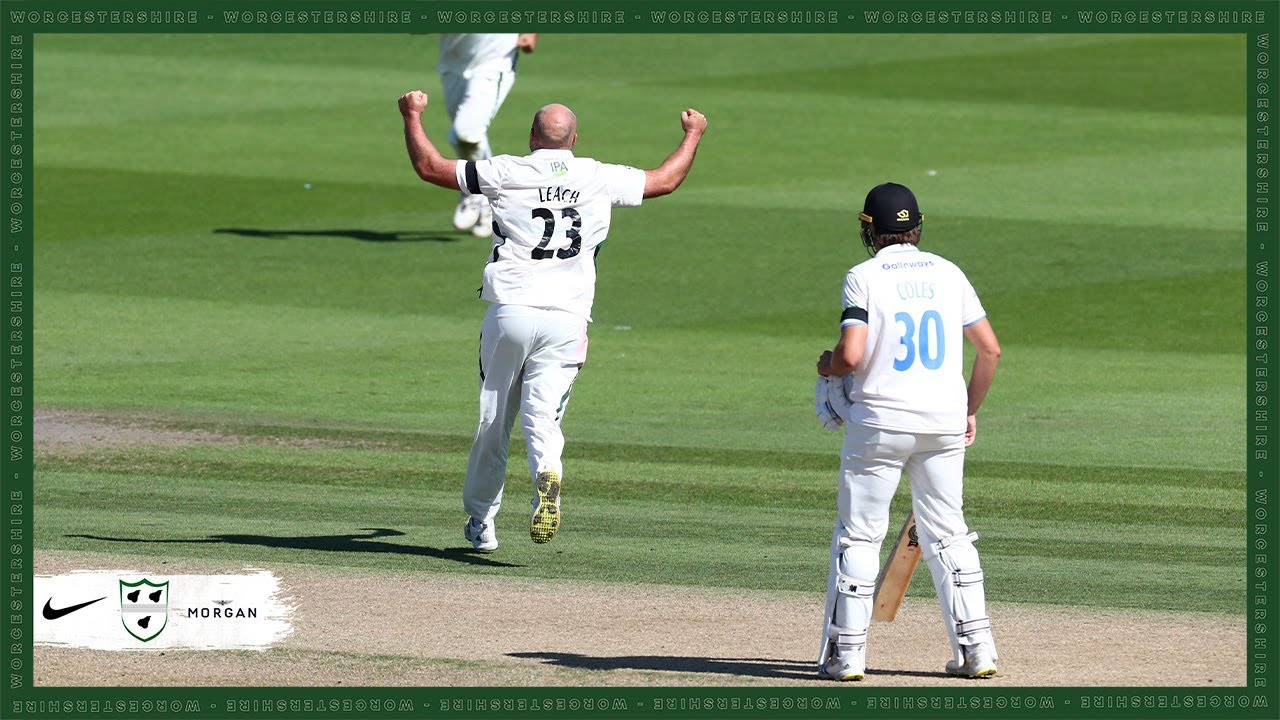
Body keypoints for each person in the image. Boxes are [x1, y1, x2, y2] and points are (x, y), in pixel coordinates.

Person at [397, 90, 708, 552]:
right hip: (568, 317)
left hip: (512, 311)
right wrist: (692, 134)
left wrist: (412, 116)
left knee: (494, 417)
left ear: (531, 137)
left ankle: (482, 522)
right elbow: (665, 180)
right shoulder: (597, 175)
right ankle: (547, 470)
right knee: (544, 417)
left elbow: (431, 167)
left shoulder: (506, 170)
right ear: (574, 139)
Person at [814, 182, 1002, 681]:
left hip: (880, 423)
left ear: (871, 229)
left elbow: (851, 355)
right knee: (950, 533)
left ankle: (847, 656)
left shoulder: (864, 276)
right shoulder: (948, 271)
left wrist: (828, 366)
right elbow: (990, 351)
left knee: (859, 535)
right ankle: (977, 651)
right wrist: (968, 409)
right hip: (942, 420)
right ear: (916, 226)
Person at [437, 33, 539, 239]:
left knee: (466, 133)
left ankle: (476, 190)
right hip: (454, 60)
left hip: (495, 59)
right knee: (468, 138)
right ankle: (486, 195)